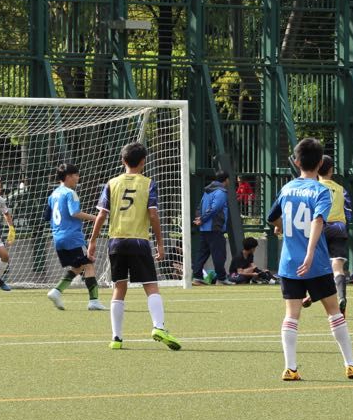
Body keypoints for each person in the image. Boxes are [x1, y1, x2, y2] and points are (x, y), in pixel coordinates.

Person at [267, 137, 353, 381]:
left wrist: (281, 227)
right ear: (321, 162)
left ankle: (290, 368)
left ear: (296, 161)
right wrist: (311, 253)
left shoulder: (287, 188)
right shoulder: (321, 191)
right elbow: (318, 221)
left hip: (289, 263)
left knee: (291, 314)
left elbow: (272, 218)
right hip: (317, 263)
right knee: (334, 312)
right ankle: (350, 364)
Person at [87, 142, 181, 351]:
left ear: (123, 161)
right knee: (151, 286)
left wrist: (92, 240)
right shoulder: (148, 183)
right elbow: (153, 214)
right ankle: (158, 327)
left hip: (116, 242)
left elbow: (102, 214)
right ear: (143, 162)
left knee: (119, 288)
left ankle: (116, 338)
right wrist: (160, 242)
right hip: (139, 241)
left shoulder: (112, 183)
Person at [45, 163, 105, 311]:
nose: (78, 178)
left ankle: (57, 291)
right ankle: (94, 301)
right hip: (73, 237)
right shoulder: (70, 193)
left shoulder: (53, 195)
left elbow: (47, 216)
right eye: (76, 175)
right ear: (68, 177)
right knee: (89, 264)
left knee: (78, 267)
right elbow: (74, 213)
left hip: (58, 238)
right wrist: (96, 218)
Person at [302, 155, 351, 312]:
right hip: (338, 229)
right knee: (337, 267)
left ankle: (307, 294)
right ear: (331, 170)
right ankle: (341, 296)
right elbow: (348, 213)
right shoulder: (341, 189)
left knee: (313, 265)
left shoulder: (314, 187)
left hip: (320, 228)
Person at [191, 171, 230, 286]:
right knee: (219, 254)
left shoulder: (207, 192)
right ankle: (221, 278)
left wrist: (199, 219)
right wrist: (202, 219)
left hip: (204, 229)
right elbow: (215, 208)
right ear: (226, 180)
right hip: (215, 228)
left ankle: (197, 277)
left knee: (202, 254)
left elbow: (200, 206)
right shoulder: (221, 192)